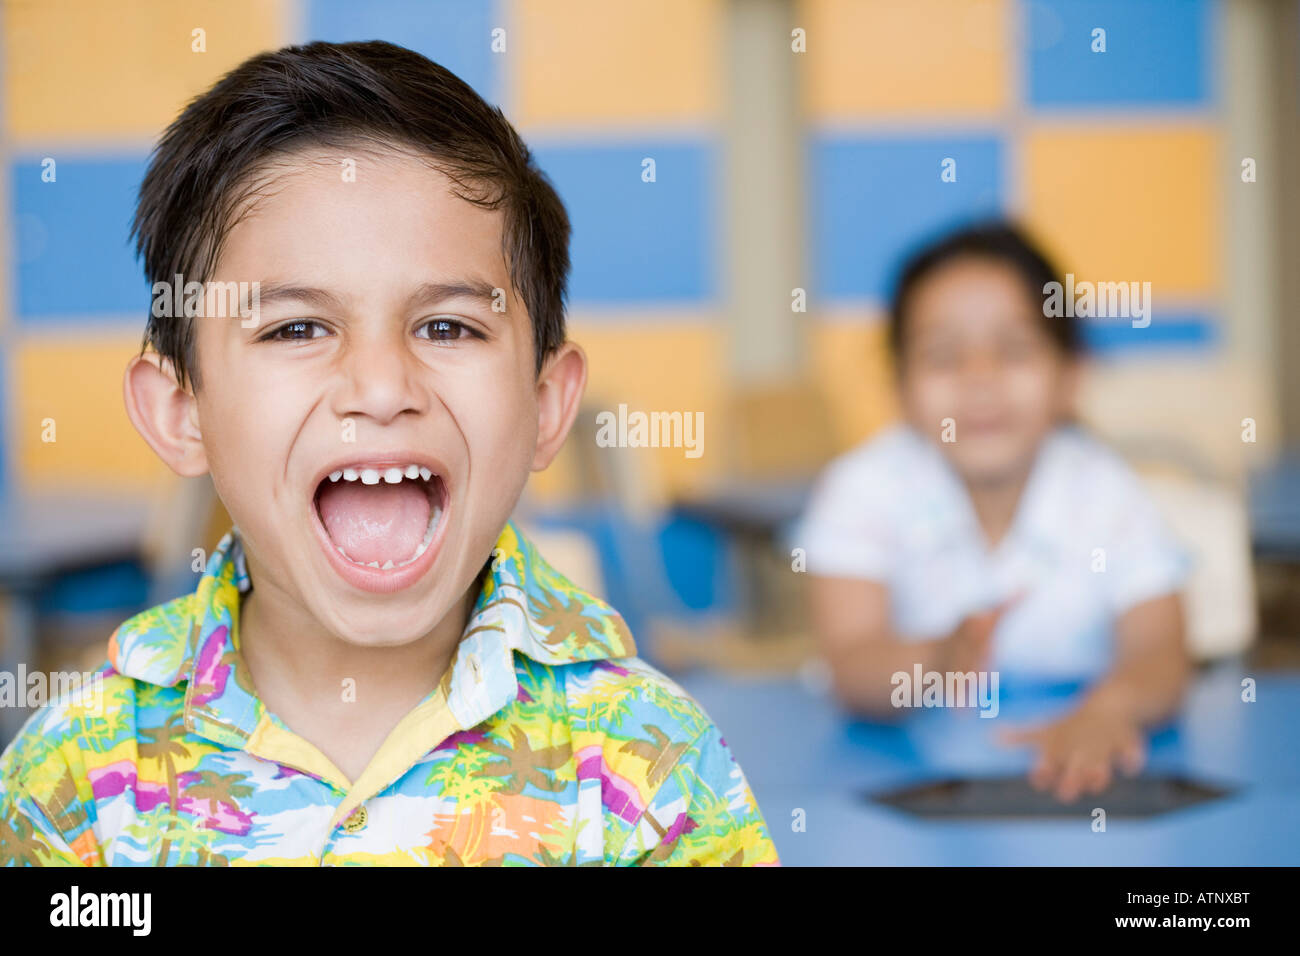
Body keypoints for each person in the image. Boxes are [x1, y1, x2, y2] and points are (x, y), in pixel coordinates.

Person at [0, 41, 777, 867]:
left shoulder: (648, 765)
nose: (379, 386)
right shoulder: (75, 780)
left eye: (448, 327)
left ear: (547, 407)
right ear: (182, 411)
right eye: (296, 328)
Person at [794, 222, 1192, 803]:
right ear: (899, 386)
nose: (979, 380)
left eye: (1014, 349)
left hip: (1084, 789)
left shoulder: (1107, 492)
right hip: (903, 783)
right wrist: (933, 659)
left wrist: (1111, 710)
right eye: (942, 356)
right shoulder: (862, 490)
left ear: (1070, 377)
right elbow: (853, 665)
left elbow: (1161, 648)